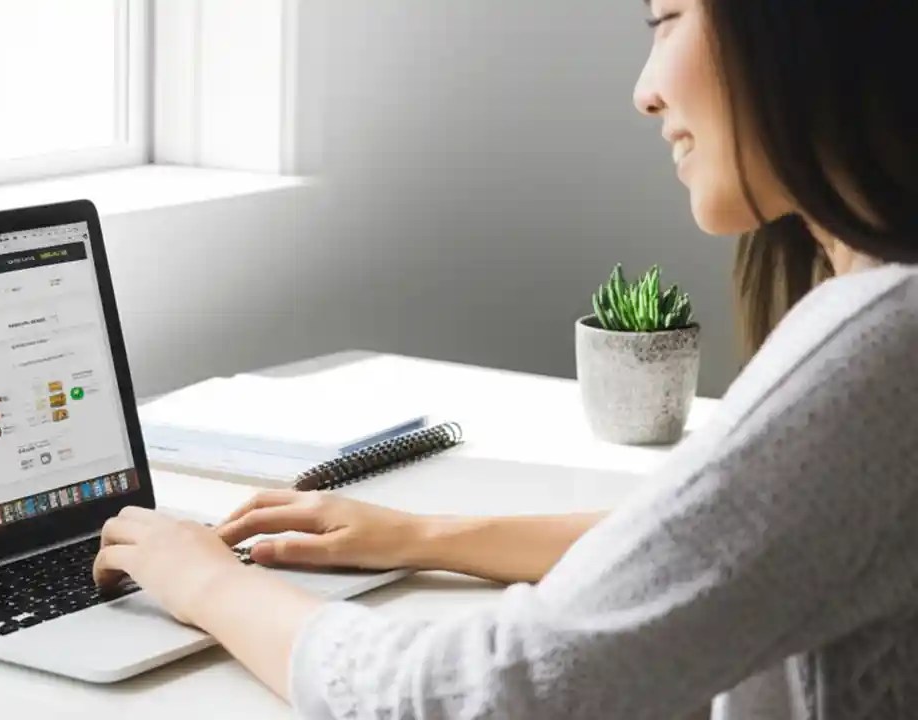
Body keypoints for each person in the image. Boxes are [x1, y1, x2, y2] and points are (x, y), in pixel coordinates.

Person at [92, 0, 918, 716]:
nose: (645, 91)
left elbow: (482, 697)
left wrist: (207, 584)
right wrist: (426, 535)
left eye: (666, 21)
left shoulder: (881, 346)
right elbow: (717, 551)